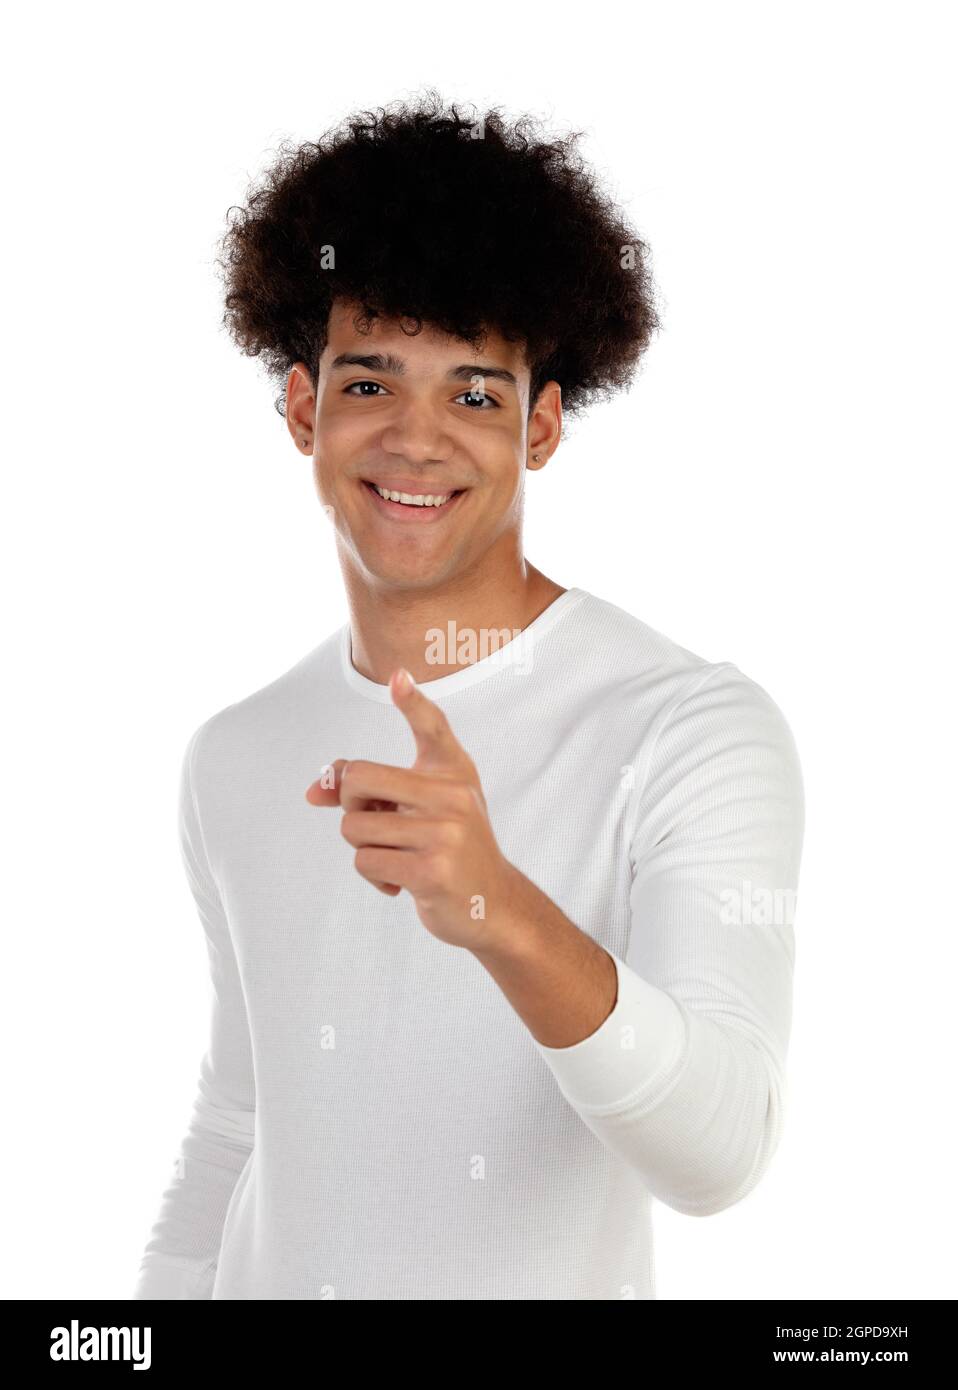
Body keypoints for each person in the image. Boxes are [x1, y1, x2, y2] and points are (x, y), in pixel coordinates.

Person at [132, 91, 804, 1300]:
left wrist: (494, 903)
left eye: (476, 394)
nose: (418, 439)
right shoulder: (233, 753)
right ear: (305, 408)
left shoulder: (688, 727)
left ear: (541, 426)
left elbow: (719, 1151)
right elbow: (239, 1130)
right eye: (372, 382)